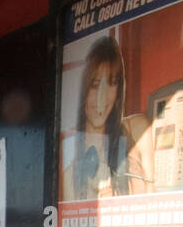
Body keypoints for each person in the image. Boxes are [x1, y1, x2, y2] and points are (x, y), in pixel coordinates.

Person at [61, 36, 154, 200]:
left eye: (111, 83)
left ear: (119, 89)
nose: (101, 100)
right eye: (95, 85)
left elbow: (155, 199)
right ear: (84, 89)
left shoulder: (137, 130)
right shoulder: (70, 175)